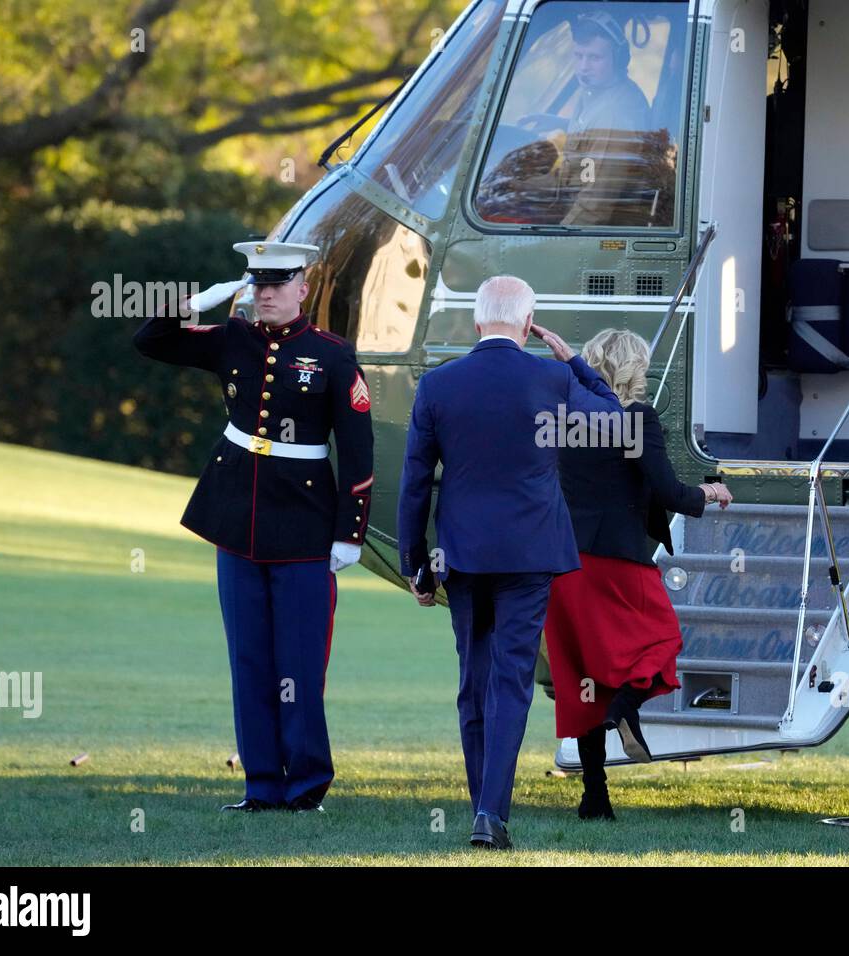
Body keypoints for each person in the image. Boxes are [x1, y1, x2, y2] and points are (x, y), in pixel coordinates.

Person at [133, 240, 375, 814]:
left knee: (299, 660)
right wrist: (195, 303)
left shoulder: (334, 356)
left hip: (304, 524)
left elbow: (359, 451)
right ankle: (261, 786)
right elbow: (151, 342)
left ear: (302, 288)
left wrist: (350, 533)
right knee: (249, 660)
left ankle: (307, 784)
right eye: (257, 283)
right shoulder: (233, 337)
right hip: (236, 516)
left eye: (277, 283)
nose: (265, 293)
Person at [396, 275, 623, 850]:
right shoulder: (550, 377)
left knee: (473, 681)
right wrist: (575, 363)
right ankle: (490, 813)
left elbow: (416, 482)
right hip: (528, 553)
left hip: (462, 555)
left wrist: (414, 563)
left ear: (476, 323)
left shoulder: (439, 384)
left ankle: (482, 807)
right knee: (511, 680)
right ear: (528, 325)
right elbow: (614, 420)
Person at [542, 328, 732, 820]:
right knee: (662, 642)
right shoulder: (637, 419)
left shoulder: (565, 421)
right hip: (619, 560)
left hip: (565, 565)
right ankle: (625, 708)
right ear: (632, 370)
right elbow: (670, 493)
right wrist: (711, 493)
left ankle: (595, 796)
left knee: (584, 675)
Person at [554, 10, 652, 225]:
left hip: (603, 229)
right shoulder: (596, 92)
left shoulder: (613, 114)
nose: (583, 67)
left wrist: (554, 241)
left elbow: (594, 206)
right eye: (578, 55)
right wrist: (554, 122)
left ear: (617, 60)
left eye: (594, 58)